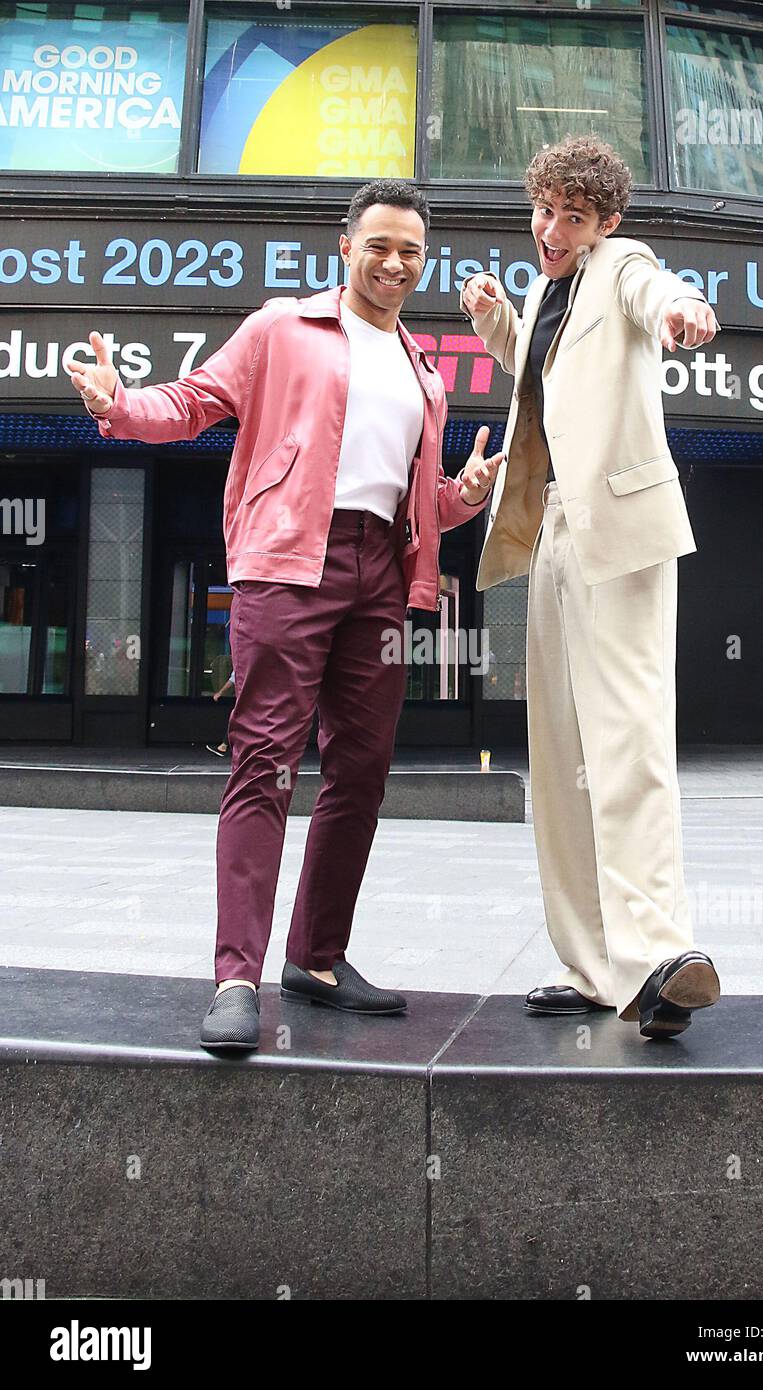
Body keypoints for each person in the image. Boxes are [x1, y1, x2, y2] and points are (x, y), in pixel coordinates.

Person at [67, 179, 502, 1052]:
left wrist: (461, 495)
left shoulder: (424, 369)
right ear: (344, 246)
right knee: (264, 757)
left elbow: (416, 500)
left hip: (382, 569)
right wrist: (118, 402)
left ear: (424, 261)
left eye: (410, 250)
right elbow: (190, 404)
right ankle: (236, 976)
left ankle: (318, 959)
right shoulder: (281, 328)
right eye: (378, 244)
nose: (393, 262)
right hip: (287, 563)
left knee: (362, 771)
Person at [460, 135, 721, 1040]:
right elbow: (546, 378)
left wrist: (685, 309)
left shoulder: (621, 266)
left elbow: (658, 296)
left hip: (620, 528)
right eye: (543, 210)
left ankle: (657, 954)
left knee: (629, 737)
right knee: (561, 749)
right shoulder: (545, 290)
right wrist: (498, 320)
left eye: (572, 216)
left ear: (606, 221)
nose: (552, 229)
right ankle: (587, 960)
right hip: (554, 530)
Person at [207, 668, 235, 758]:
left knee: (236, 719)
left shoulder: (242, 660)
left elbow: (233, 679)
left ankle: (224, 746)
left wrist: (220, 692)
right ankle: (224, 745)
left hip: (249, 697)